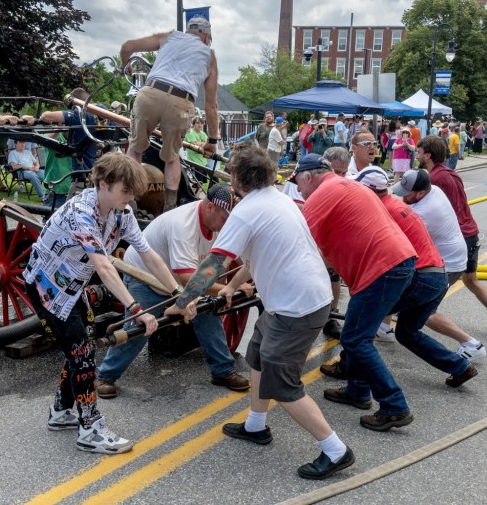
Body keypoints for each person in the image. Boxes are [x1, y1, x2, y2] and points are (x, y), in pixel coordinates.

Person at [166, 148, 354, 480]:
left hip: (295, 307)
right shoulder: (277, 198)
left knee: (281, 383)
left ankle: (335, 449)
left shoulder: (246, 211)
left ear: (237, 178)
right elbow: (252, 256)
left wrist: (183, 302)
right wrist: (230, 287)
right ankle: (256, 425)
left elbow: (212, 264)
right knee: (257, 356)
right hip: (299, 299)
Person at [23, 153, 180, 455]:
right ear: (103, 184)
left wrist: (178, 292)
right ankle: (90, 430)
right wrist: (135, 309)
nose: (131, 197)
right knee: (81, 351)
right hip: (47, 287)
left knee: (83, 348)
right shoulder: (80, 212)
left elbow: (148, 254)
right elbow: (106, 268)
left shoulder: (122, 212)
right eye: (126, 190)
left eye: (134, 192)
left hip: (72, 286)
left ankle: (60, 410)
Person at [290, 154, 417, 432]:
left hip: (382, 267)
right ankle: (358, 391)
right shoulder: (347, 186)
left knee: (356, 338)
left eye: (298, 182)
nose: (298, 189)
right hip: (394, 262)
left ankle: (395, 406)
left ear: (310, 176)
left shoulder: (323, 193)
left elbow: (294, 241)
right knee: (360, 332)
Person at [96, 183, 251, 397]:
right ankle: (105, 376)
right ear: (209, 208)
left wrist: (238, 283)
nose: (227, 227)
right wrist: (229, 289)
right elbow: (189, 280)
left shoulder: (219, 223)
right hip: (145, 276)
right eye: (225, 219)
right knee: (141, 325)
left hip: (179, 278)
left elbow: (240, 256)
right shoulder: (183, 225)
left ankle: (223, 371)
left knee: (208, 313)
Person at [344, 166, 479, 386]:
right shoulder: (400, 203)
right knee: (406, 332)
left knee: (362, 320)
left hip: (423, 277)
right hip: (438, 273)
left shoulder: (385, 212)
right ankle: (460, 366)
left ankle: (351, 377)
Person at [120, 16, 220, 212]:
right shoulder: (209, 55)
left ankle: (128, 201)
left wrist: (125, 66)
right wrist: (212, 140)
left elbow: (127, 46)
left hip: (151, 93)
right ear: (206, 36)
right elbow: (211, 106)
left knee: (135, 149)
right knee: (172, 157)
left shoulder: (169, 37)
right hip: (181, 102)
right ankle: (169, 208)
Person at [416, 136, 487, 336]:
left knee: (432, 290)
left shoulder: (434, 179)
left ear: (428, 155)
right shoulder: (451, 173)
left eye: (419, 152)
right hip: (470, 234)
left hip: (455, 238)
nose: (416, 155)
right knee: (471, 280)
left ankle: (461, 338)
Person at [389, 168, 486, 362]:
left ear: (421, 193)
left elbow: (397, 238)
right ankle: (383, 329)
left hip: (446, 264)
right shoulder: (433, 189)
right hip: (448, 256)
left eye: (406, 195)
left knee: (423, 312)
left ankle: (471, 345)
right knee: (398, 295)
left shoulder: (423, 213)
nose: (402, 198)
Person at [38, 87, 97, 173]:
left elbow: (45, 116)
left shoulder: (79, 114)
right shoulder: (102, 111)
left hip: (81, 173)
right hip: (96, 171)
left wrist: (59, 120)